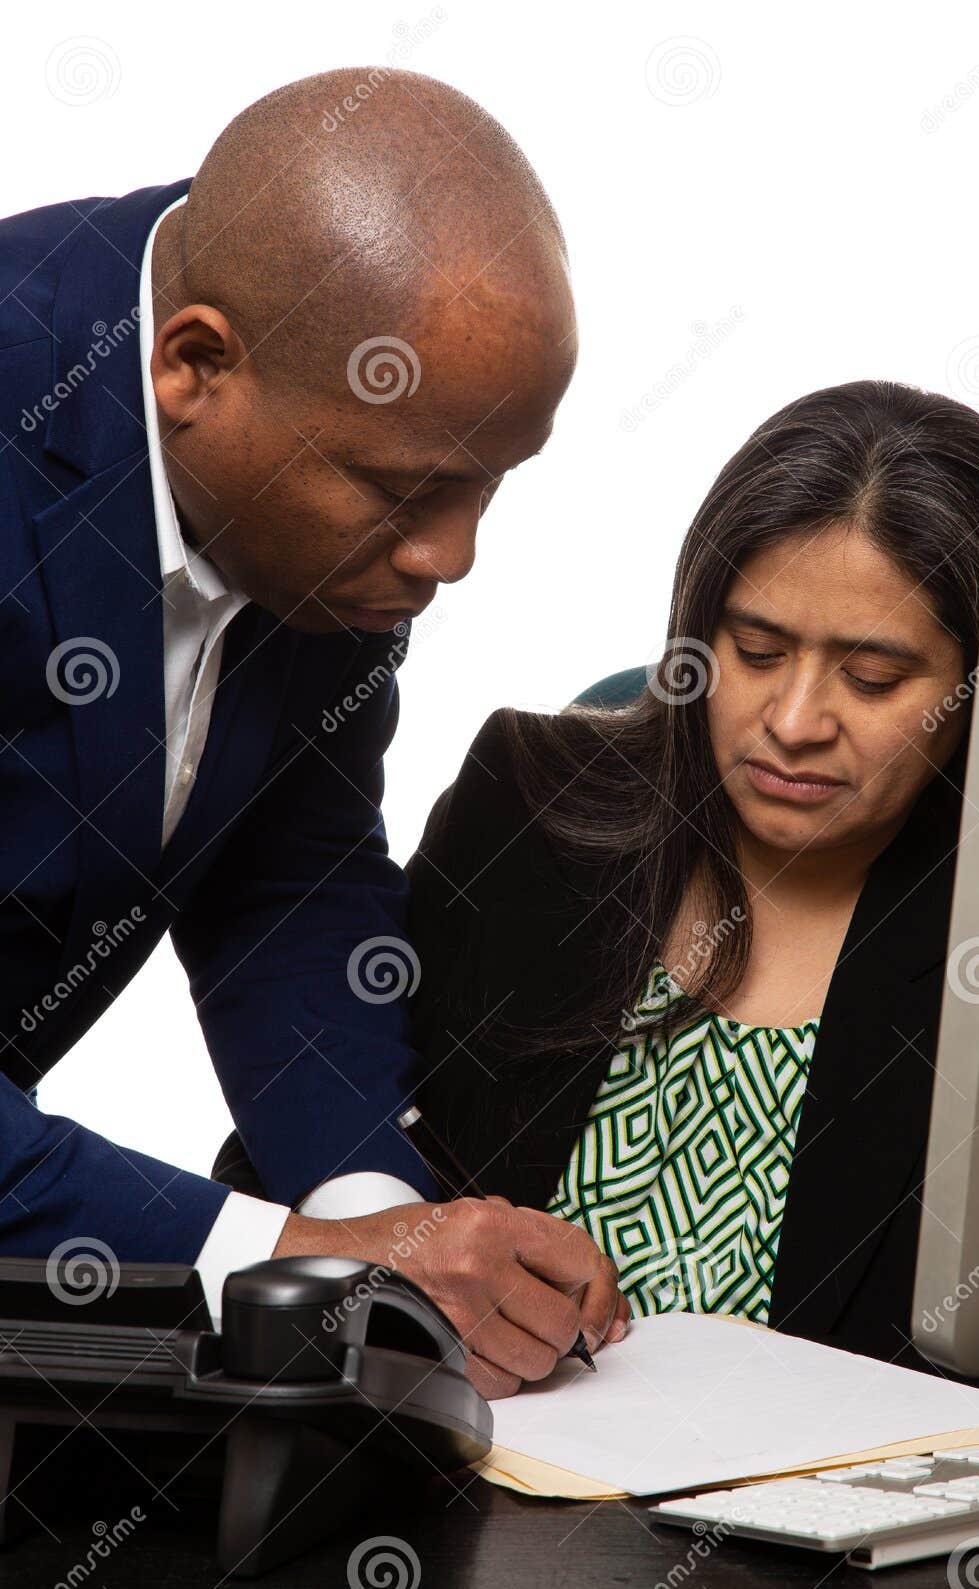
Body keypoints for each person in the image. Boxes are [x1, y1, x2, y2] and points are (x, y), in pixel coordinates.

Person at [0, 65, 624, 1387]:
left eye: (486, 486)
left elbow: (288, 865)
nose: (449, 555)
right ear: (194, 363)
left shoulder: (321, 438)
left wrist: (379, 1227)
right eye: (406, 491)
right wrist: (292, 1257)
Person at [403, 379, 979, 1377]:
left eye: (871, 679)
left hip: (824, 1521)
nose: (794, 720)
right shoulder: (525, 805)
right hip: (473, 1489)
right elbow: (309, 1176)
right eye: (755, 650)